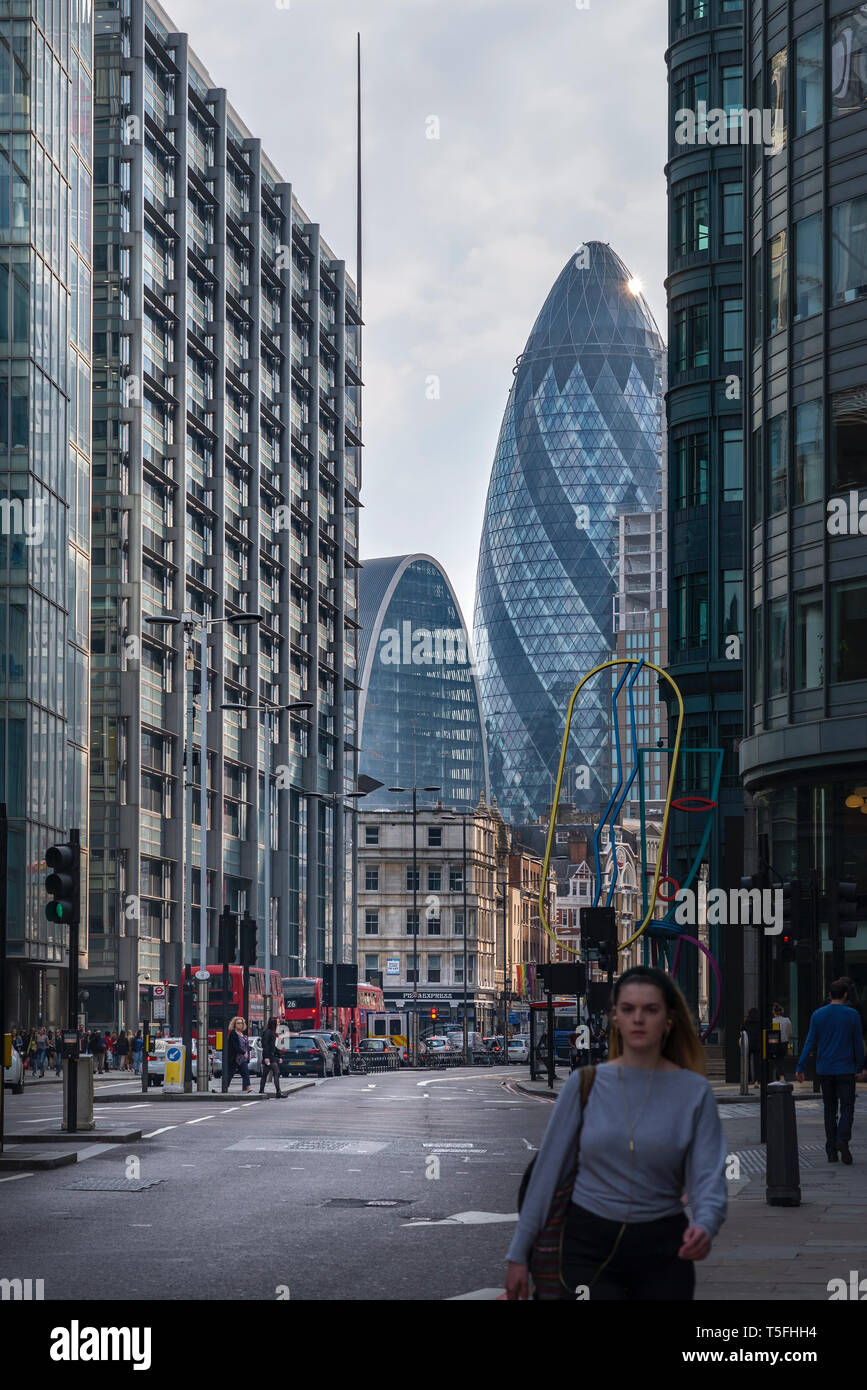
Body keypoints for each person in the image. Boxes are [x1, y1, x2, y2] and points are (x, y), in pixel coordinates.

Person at [505, 965, 727, 1302]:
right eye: (628, 1009)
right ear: (616, 1019)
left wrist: (706, 1224)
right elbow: (547, 1173)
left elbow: (708, 1175)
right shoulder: (584, 1084)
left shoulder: (694, 1092)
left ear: (668, 1020)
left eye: (650, 1010)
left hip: (663, 1249)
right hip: (586, 1247)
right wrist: (519, 1254)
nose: (638, 1018)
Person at [796, 979, 867, 1164]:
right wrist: (860, 1067)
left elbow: (810, 1042)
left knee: (829, 1110)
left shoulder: (818, 1015)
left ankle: (831, 1152)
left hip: (825, 1070)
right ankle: (843, 1138)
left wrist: (800, 1067)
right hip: (845, 1069)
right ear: (845, 994)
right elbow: (858, 1044)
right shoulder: (853, 1015)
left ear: (829, 994)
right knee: (847, 1107)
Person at [258, 1017, 284, 1098]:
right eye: (278, 1023)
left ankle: (261, 1091)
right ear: (274, 1023)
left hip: (270, 1056)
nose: (279, 1024)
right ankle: (278, 1092)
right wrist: (266, 1057)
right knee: (276, 1072)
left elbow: (273, 1047)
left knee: (265, 1074)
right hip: (269, 1057)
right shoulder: (268, 1032)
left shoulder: (272, 1032)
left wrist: (279, 1055)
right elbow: (265, 1045)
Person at [227, 1016, 252, 1093]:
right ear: (234, 1024)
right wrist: (243, 1052)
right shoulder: (233, 1033)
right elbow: (235, 1046)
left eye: (241, 1023)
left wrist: (247, 1053)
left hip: (242, 1058)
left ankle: (248, 1088)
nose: (240, 1025)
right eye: (238, 1023)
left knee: (245, 1072)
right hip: (235, 1057)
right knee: (230, 1074)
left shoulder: (242, 1033)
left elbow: (246, 1045)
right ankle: (225, 1087)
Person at [742, 1007, 761, 1087]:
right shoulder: (760, 1022)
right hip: (757, 1043)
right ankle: (756, 1080)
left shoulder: (746, 1022)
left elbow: (742, 1031)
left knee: (747, 1061)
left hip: (748, 1043)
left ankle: (748, 1078)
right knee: (757, 1063)